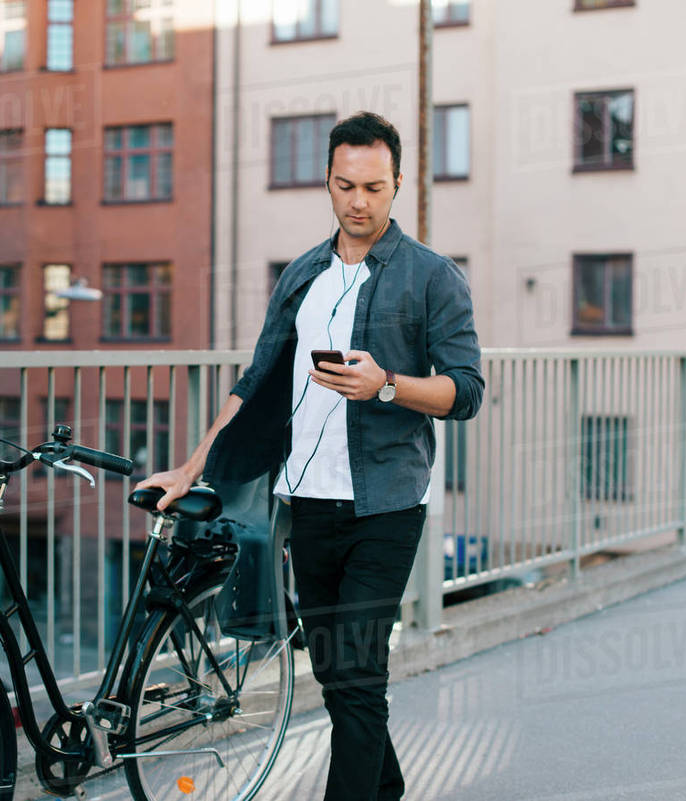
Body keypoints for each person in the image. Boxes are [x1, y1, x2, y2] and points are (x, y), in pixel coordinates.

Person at [137, 111, 483, 801]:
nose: (359, 201)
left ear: (398, 185)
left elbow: (467, 390)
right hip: (306, 505)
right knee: (336, 674)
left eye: (375, 188)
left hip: (385, 505)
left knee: (357, 679)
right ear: (328, 182)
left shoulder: (430, 278)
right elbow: (255, 382)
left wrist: (387, 384)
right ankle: (385, 787)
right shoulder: (302, 276)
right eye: (345, 185)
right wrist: (190, 466)